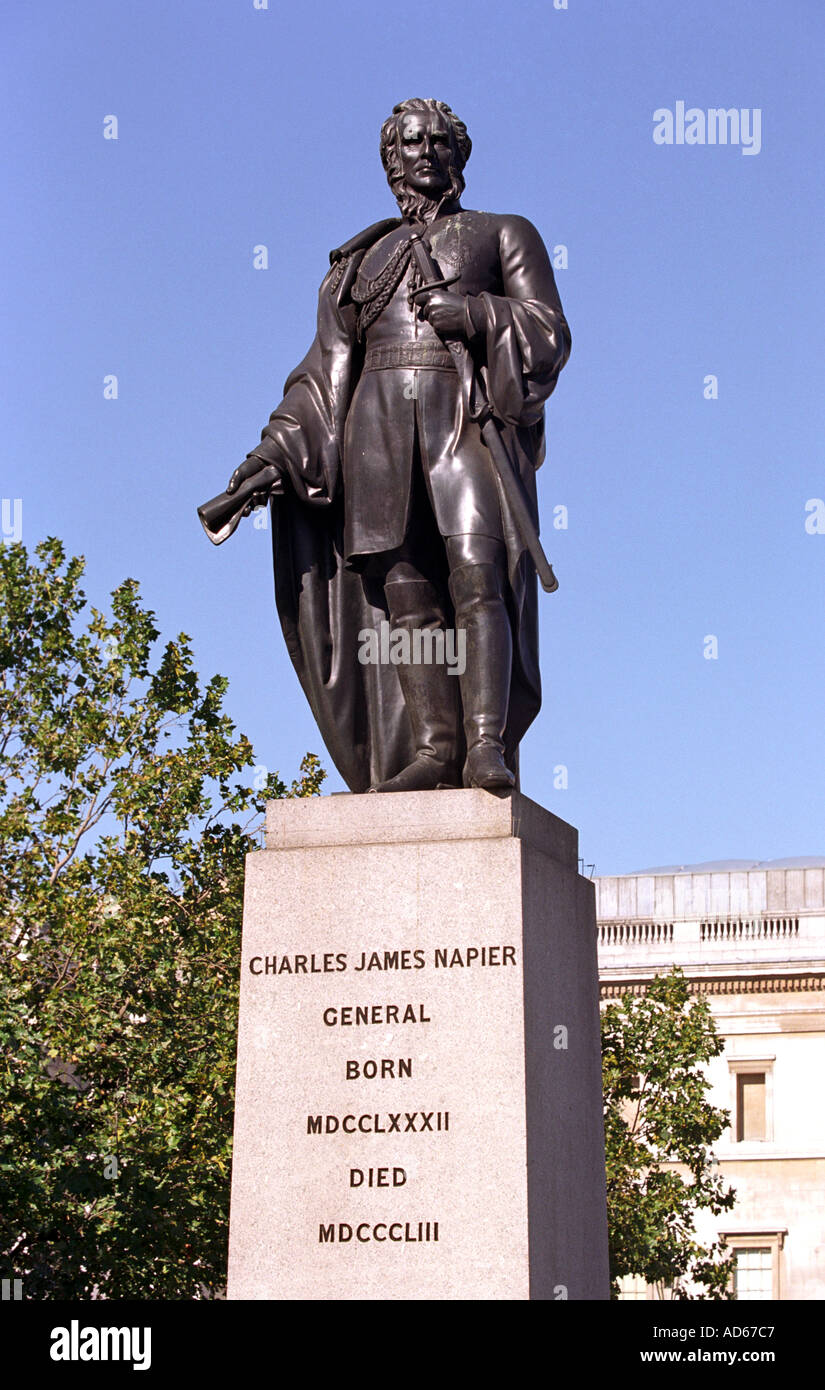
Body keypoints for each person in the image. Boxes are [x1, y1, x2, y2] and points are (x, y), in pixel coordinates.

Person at [221, 98, 570, 794]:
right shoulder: (358, 261)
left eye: (440, 141)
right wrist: (274, 452)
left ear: (459, 155)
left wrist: (476, 313)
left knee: (478, 571)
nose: (425, 152)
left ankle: (483, 745)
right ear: (391, 160)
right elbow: (323, 371)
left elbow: (547, 331)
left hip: (461, 415)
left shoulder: (504, 233)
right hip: (375, 430)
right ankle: (435, 746)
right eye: (411, 143)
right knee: (405, 592)